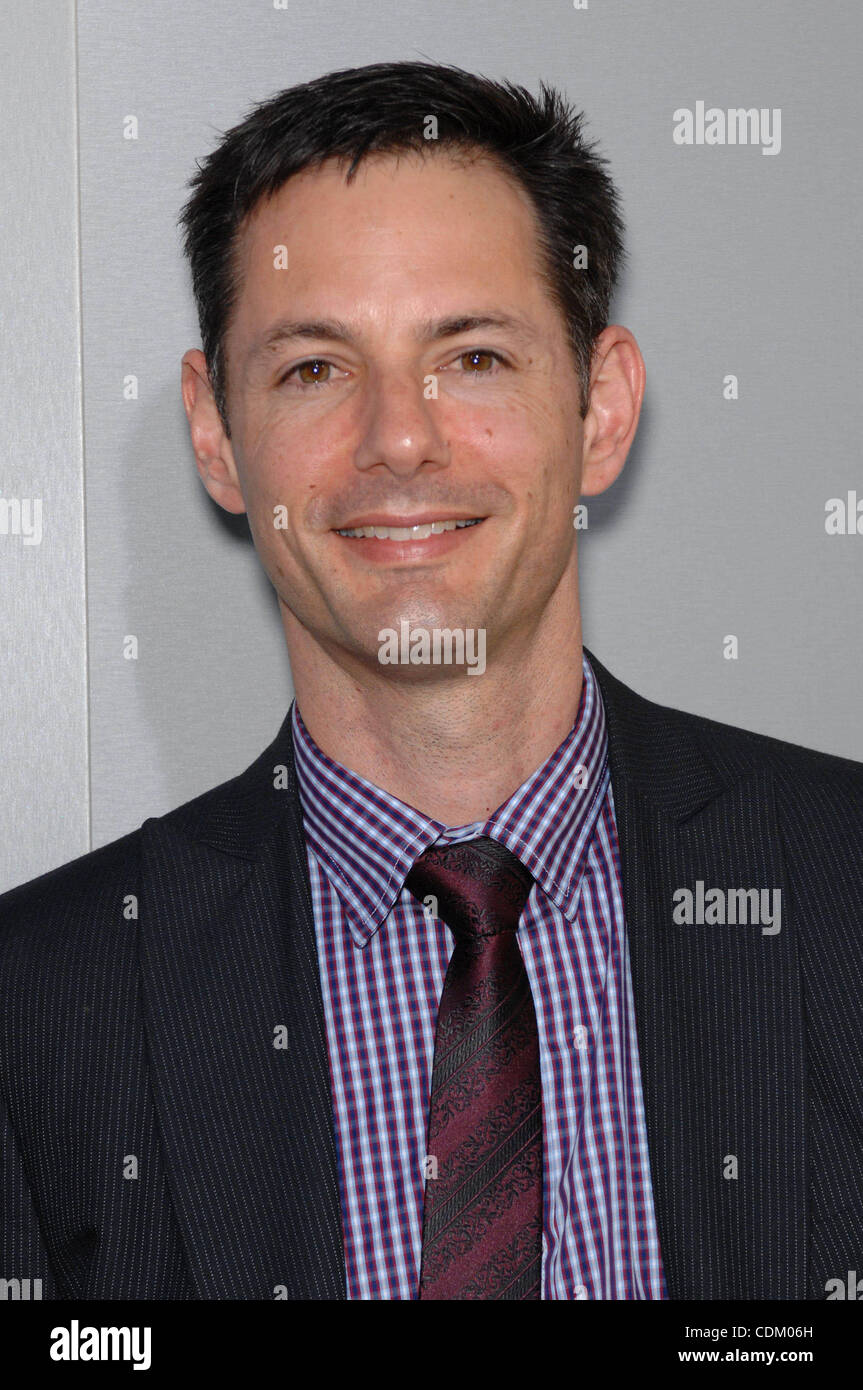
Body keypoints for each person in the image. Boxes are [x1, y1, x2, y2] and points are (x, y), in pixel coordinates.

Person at [2, 61, 861, 1302]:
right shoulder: (39, 1011)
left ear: (600, 409)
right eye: (313, 368)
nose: (399, 437)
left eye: (471, 357)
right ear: (215, 435)